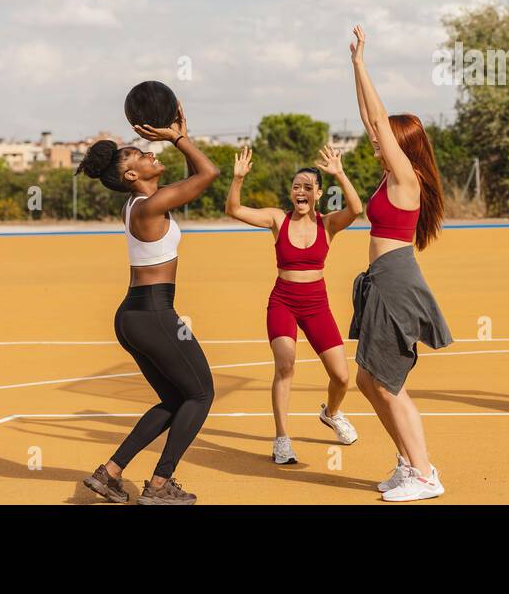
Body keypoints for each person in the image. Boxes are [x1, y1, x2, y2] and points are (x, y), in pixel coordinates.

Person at [78, 102, 220, 504]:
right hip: (155, 313)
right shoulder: (150, 206)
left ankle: (109, 473)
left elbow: (196, 177)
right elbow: (209, 174)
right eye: (141, 154)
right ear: (130, 175)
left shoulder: (140, 204)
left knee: (176, 399)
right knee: (200, 394)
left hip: (135, 315)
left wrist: (182, 138)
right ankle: (160, 484)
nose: (150, 151)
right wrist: (177, 138)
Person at [348, 24, 452, 501]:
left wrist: (365, 65)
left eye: (386, 137)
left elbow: (378, 117)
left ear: (403, 145)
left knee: (386, 384)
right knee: (369, 378)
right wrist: (353, 66)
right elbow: (372, 122)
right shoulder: (390, 179)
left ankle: (426, 474)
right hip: (380, 281)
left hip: (395, 284)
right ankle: (408, 464)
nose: (376, 138)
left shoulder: (406, 179)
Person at [225, 144, 363, 464]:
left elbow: (356, 209)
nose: (300, 191)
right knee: (285, 365)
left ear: (317, 194)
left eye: (307, 187)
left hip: (317, 305)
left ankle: (332, 413)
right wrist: (238, 179)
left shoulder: (328, 224)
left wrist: (339, 173)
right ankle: (282, 439)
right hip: (283, 302)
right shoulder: (277, 219)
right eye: (296, 186)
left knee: (342, 377)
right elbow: (234, 209)